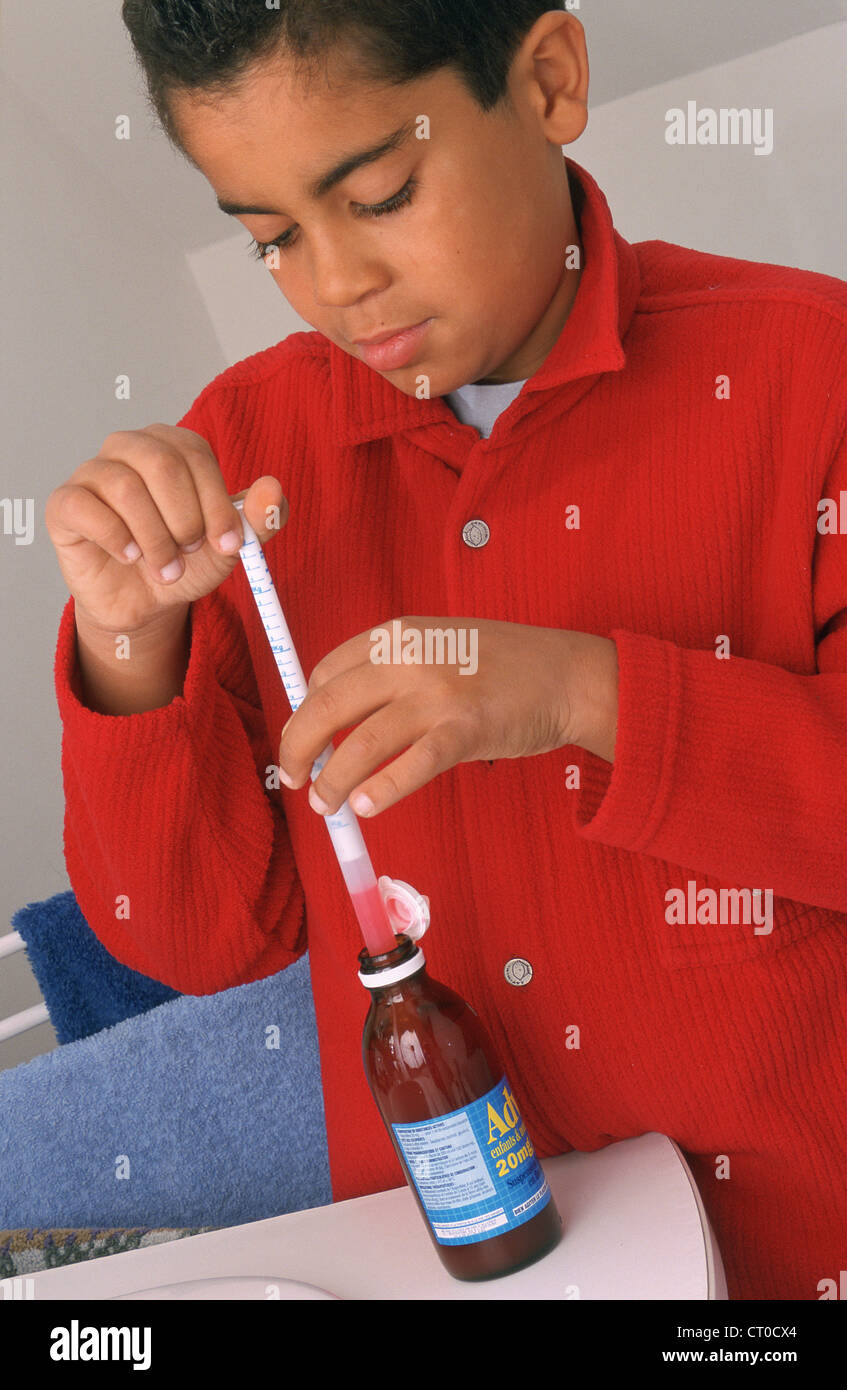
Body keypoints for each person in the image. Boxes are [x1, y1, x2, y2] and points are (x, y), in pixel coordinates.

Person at [45, 1, 847, 1300]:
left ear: (546, 79)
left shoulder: (814, 374)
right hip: (456, 1268)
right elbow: (188, 942)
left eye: (381, 194)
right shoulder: (247, 462)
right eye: (270, 239)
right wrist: (128, 641)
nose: (333, 284)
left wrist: (589, 692)